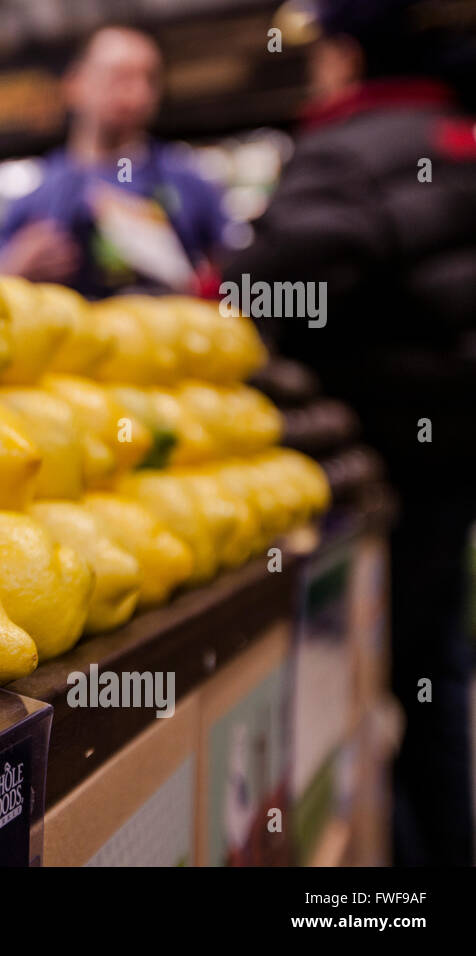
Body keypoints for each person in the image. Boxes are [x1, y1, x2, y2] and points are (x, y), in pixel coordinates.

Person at [223, 0, 476, 866]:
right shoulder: (454, 129)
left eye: (325, 48)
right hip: (447, 456)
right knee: (433, 667)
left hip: (383, 466)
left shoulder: (353, 146)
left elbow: (269, 282)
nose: (317, 66)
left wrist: (215, 300)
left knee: (372, 688)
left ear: (354, 52)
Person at [0, 26, 225, 298]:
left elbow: (233, 274)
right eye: (120, 77)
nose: (138, 93)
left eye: (149, 79)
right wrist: (12, 272)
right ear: (75, 85)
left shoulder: (188, 180)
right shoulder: (36, 195)